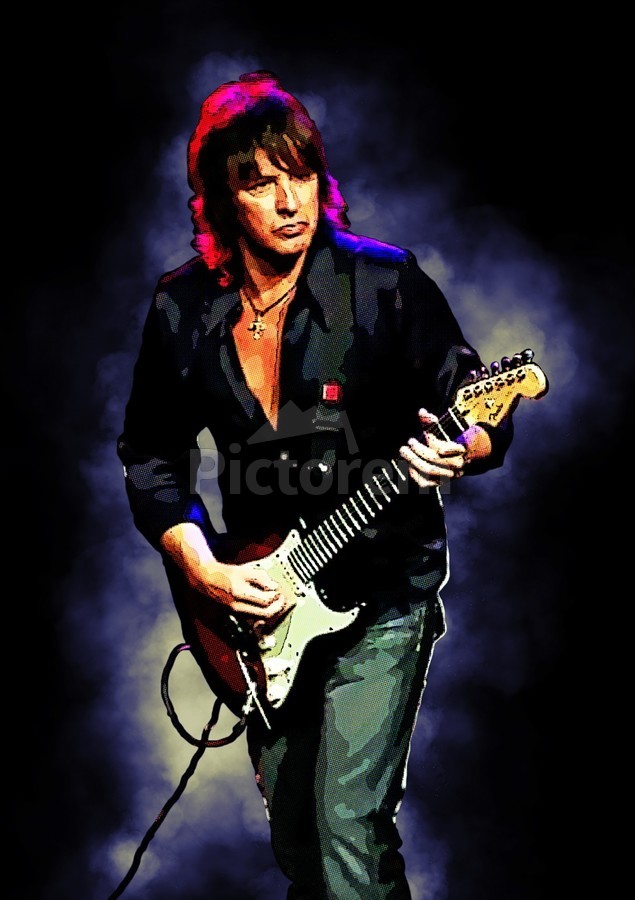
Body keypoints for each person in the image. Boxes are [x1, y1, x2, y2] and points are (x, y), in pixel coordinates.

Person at [117, 70, 514, 899]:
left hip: (383, 594)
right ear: (221, 200)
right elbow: (150, 455)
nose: (287, 201)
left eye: (299, 175)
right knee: (303, 842)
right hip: (263, 607)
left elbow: (473, 406)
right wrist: (205, 570)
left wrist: (465, 444)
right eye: (260, 183)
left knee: (345, 828)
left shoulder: (381, 284)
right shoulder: (182, 308)